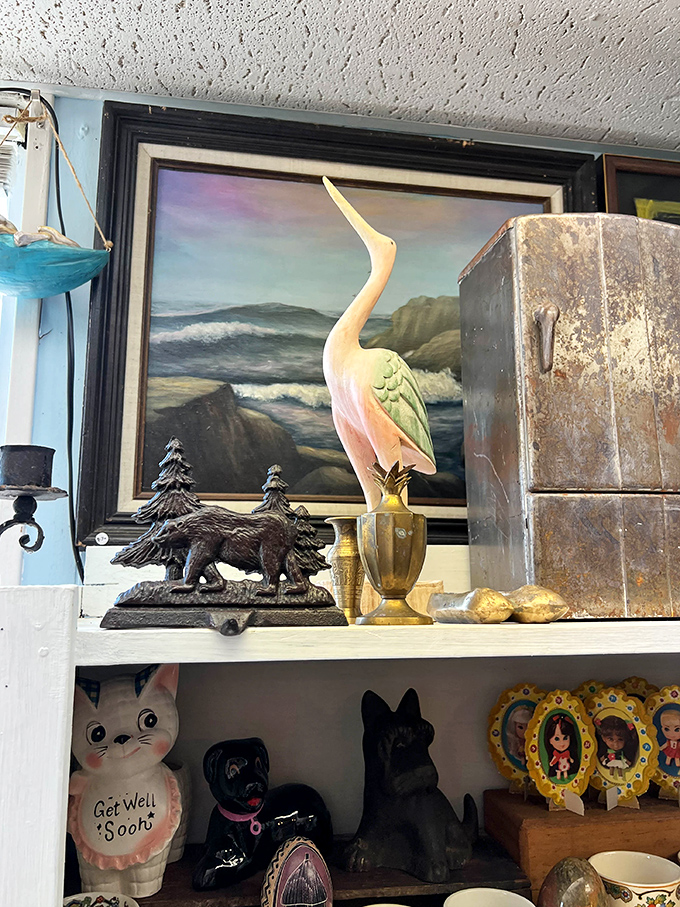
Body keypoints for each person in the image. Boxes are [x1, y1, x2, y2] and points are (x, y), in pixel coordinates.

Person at [594, 715, 637, 780]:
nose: (615, 744)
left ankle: (620, 775)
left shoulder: (621, 753)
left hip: (619, 762)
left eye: (620, 740)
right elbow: (603, 757)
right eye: (611, 739)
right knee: (611, 766)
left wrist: (628, 762)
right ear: (604, 738)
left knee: (620, 767)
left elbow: (624, 758)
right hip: (609, 763)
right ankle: (611, 774)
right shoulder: (607, 751)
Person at [545, 713, 577, 780]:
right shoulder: (555, 754)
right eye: (557, 739)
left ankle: (565, 774)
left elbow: (570, 758)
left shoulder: (568, 753)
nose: (562, 743)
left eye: (565, 738)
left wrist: (571, 760)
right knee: (558, 770)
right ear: (549, 740)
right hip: (557, 766)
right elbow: (553, 760)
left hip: (566, 765)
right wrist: (552, 763)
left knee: (565, 769)